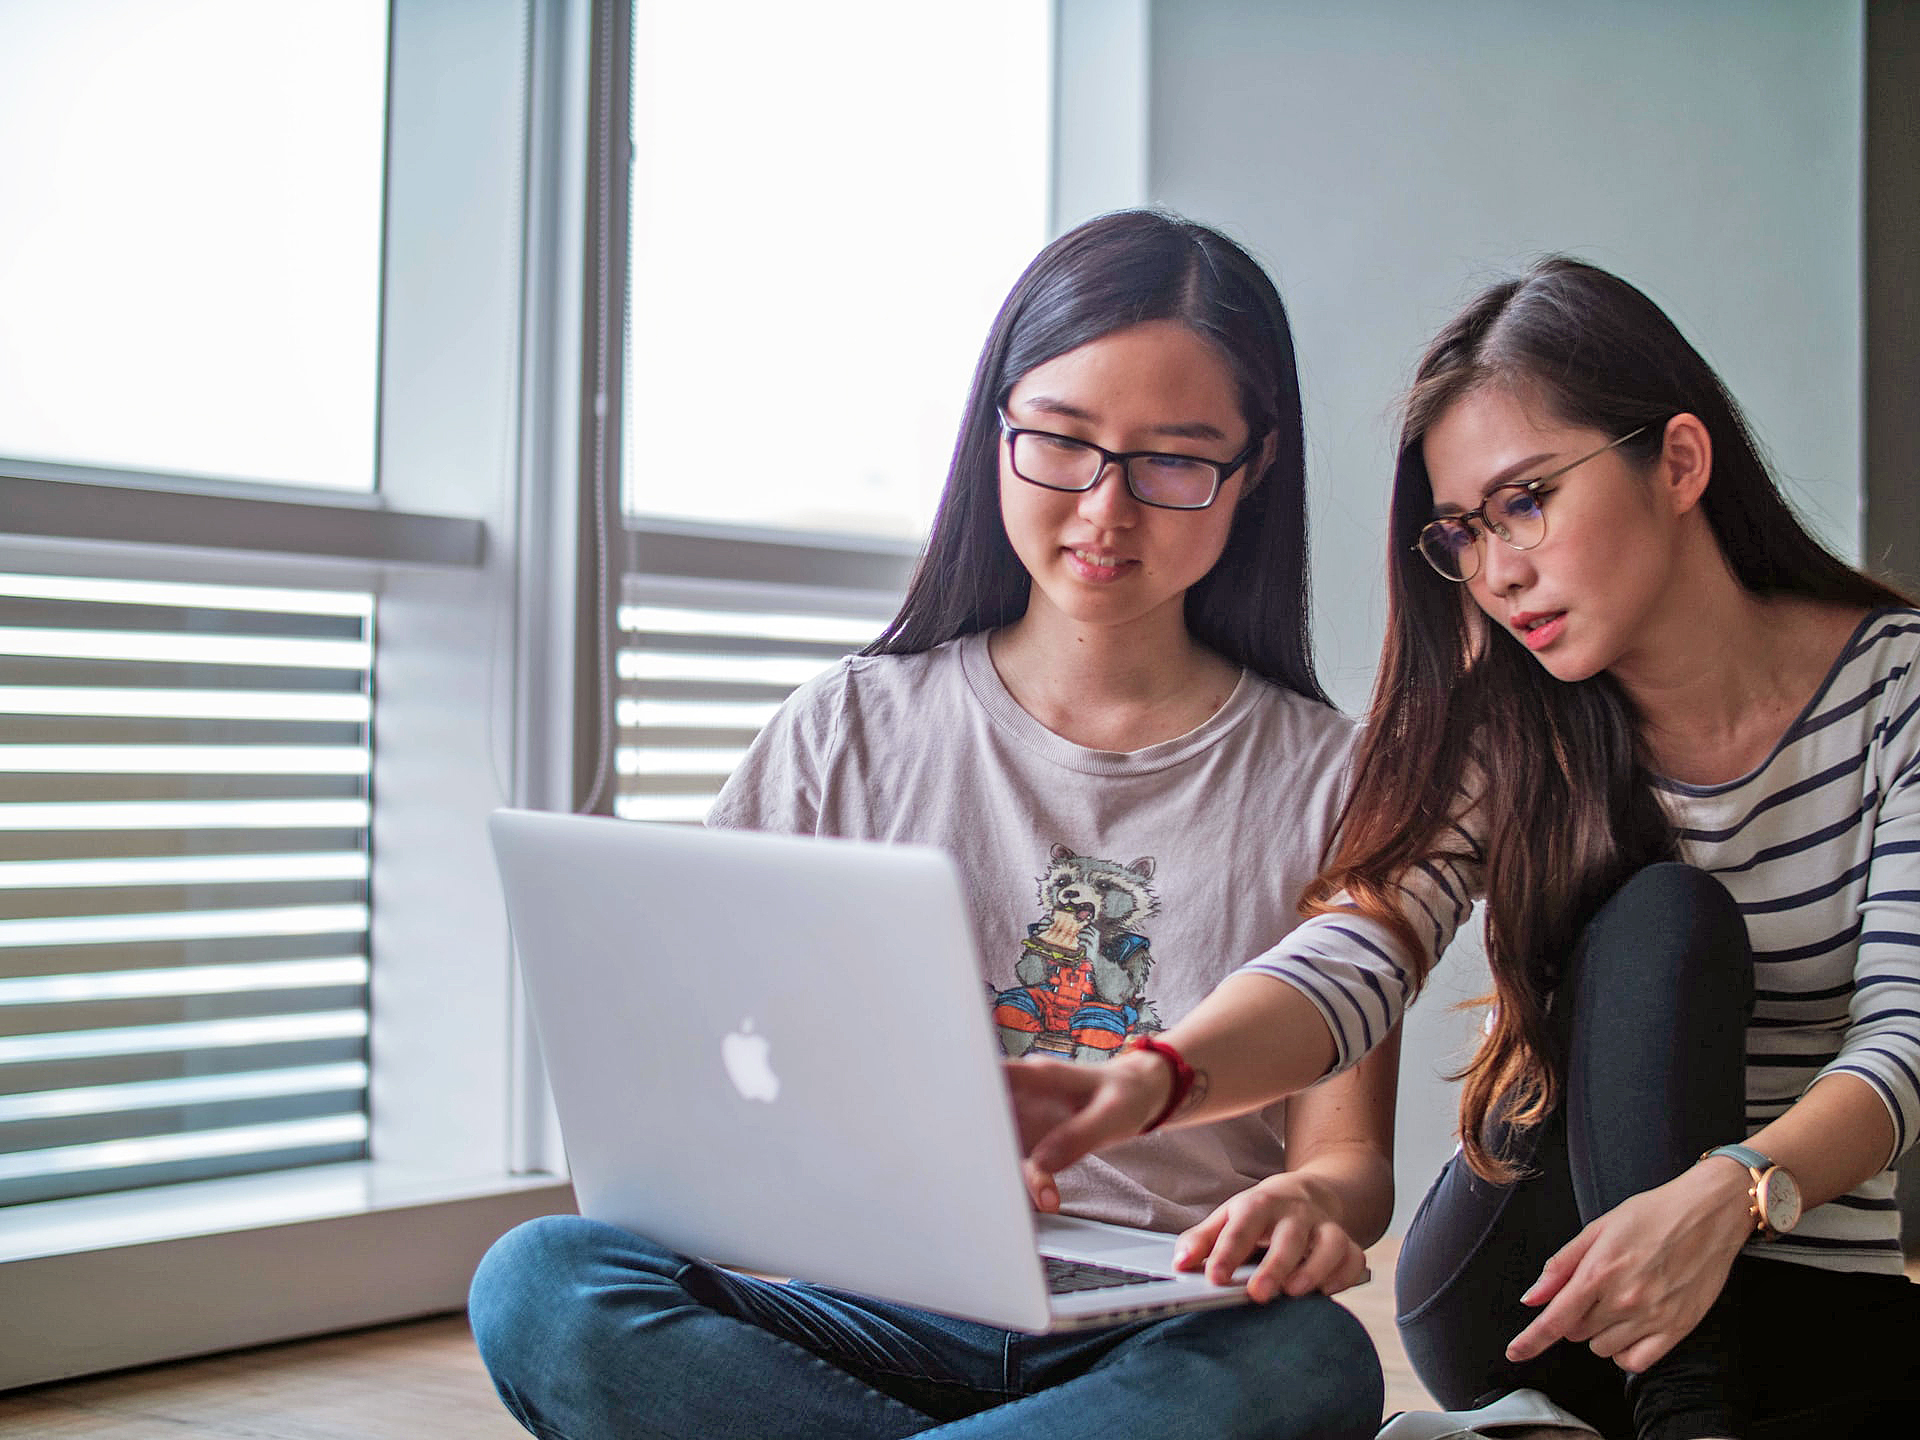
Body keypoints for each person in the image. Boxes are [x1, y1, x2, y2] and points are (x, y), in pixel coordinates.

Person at [467, 208, 1396, 1440]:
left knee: (1311, 1363)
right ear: (995, 429)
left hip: (1162, 1321)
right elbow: (706, 1071)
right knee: (542, 1279)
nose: (1106, 511)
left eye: (1175, 460)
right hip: (871, 1308)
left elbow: (1347, 1161)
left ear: (1256, 468)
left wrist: (1316, 1208)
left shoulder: (1339, 781)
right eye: (1062, 443)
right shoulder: (846, 728)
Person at [1010, 256, 1920, 1440]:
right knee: (1665, 916)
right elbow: (1355, 951)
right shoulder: (1510, 720)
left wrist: (1733, 1193)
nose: (1497, 574)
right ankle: (1675, 1413)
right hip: (1538, 1289)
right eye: (1463, 534)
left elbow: (1907, 1029)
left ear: (1681, 463)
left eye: (1528, 501)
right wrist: (1154, 1077)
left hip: (1804, 1281)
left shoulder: (1898, 690)